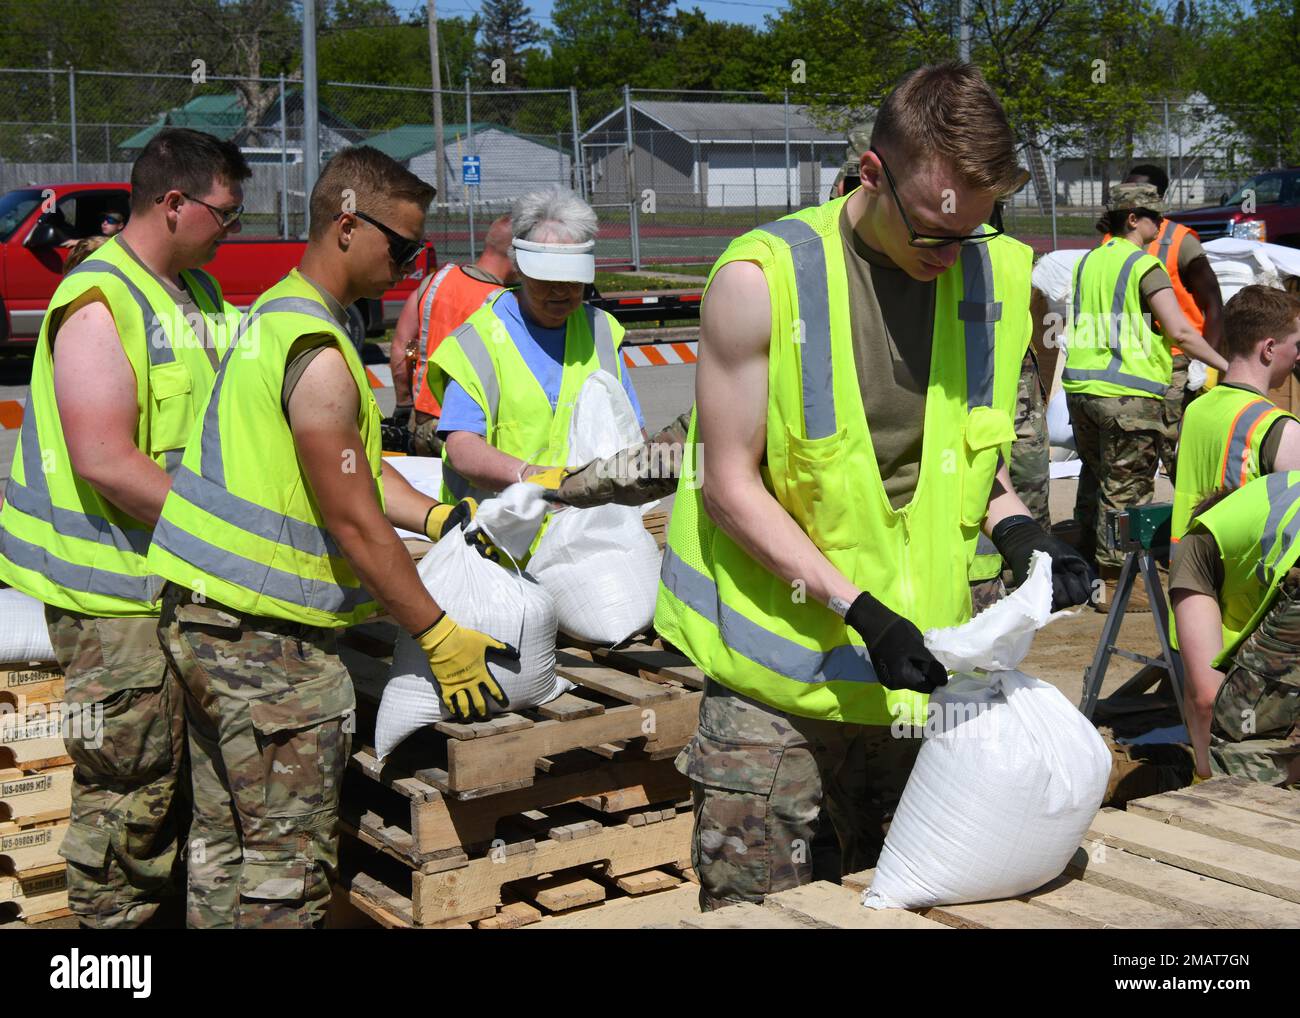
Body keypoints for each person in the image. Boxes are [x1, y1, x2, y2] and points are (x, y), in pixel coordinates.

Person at [654, 63, 1095, 911]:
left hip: (914, 671)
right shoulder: (763, 280)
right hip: (776, 685)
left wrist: (1018, 529)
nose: (948, 255)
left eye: (972, 229)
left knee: (911, 903)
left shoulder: (995, 273)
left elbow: (970, 454)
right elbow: (728, 483)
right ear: (871, 174)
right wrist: (856, 607)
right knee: (762, 912)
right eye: (931, 231)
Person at [145, 146, 513, 928]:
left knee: (222, 848)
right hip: (268, 651)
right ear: (348, 224)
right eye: (402, 246)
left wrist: (437, 515)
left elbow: (350, 471)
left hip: (207, 627)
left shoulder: (278, 318)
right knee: (287, 873)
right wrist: (438, 634)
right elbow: (350, 517)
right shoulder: (319, 352)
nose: (411, 266)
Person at [0, 128, 249, 928]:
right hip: (109, 599)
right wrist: (233, 535)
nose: (231, 232)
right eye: (225, 215)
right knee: (127, 797)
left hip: (175, 584)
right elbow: (107, 460)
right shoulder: (101, 300)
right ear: (174, 204)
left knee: (179, 786)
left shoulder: (200, 295)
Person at [1064, 183, 1228, 611]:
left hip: (1083, 391)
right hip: (1128, 397)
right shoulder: (1144, 266)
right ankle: (1117, 586)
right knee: (1127, 494)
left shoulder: (1088, 262)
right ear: (1133, 219)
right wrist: (1224, 366)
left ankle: (1090, 573)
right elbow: (1179, 330)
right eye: (1155, 216)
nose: (1162, 224)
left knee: (1099, 482)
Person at [428, 186, 645, 508]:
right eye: (546, 279)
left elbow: (631, 431)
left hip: (585, 534)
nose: (560, 291)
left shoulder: (601, 331)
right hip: (497, 537)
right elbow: (461, 447)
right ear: (518, 266)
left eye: (572, 280)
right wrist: (537, 478)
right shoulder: (477, 341)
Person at [1170, 472, 1300, 786]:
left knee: (1238, 724)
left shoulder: (1197, 543)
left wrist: (1203, 774)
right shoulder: (1274, 501)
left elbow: (1206, 697)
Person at [1104, 164, 1225, 477]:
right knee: (1132, 460)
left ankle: (1194, 520)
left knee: (1179, 454)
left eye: (1136, 190)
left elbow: (1213, 302)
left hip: (1175, 365)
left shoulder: (1179, 240)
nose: (1127, 195)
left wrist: (1206, 363)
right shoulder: (1111, 240)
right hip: (1131, 363)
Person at [1171, 285, 1300, 541]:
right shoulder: (1281, 429)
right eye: (1297, 344)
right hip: (1249, 579)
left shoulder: (1193, 412)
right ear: (1269, 348)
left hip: (1188, 573)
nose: (1298, 356)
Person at [388, 214, 517, 456]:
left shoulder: (434, 281)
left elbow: (401, 348)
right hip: (470, 432)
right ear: (516, 255)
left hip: (423, 422)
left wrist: (404, 405)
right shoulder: (505, 304)